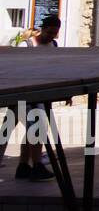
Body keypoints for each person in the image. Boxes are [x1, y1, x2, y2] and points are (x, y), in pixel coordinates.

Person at [11, 14, 61, 181]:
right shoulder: (27, 45)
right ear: (43, 29)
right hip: (23, 93)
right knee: (37, 128)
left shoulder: (53, 45)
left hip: (40, 95)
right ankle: (37, 166)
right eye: (50, 32)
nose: (52, 36)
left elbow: (54, 69)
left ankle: (23, 166)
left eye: (55, 33)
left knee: (32, 129)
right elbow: (15, 69)